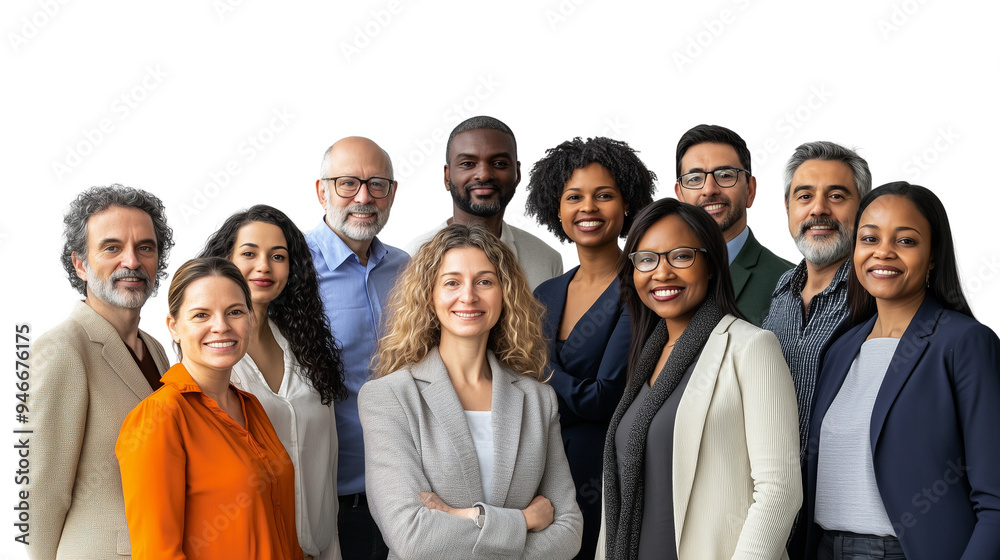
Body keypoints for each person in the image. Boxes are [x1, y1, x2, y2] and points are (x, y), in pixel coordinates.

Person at [359, 224, 583, 560]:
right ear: (429, 294)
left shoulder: (538, 399)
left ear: (504, 292)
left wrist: (457, 516)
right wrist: (523, 520)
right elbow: (413, 537)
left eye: (485, 281)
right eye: (452, 282)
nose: (469, 296)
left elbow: (568, 532)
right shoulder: (388, 397)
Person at [801, 183, 1000, 560]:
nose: (883, 252)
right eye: (869, 237)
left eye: (906, 241)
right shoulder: (841, 347)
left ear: (933, 256)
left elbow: (995, 499)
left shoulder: (964, 343)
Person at [600, 198, 801, 559]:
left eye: (681, 256)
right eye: (647, 259)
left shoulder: (752, 347)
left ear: (710, 265)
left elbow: (780, 490)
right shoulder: (647, 358)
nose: (662, 273)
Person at [116, 257, 302, 560]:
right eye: (201, 315)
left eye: (235, 312)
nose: (221, 326)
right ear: (174, 327)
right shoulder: (160, 417)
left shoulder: (250, 405)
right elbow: (156, 553)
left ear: (250, 320)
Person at [525, 136, 656, 560]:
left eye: (604, 196)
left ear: (627, 203)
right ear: (556, 208)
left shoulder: (641, 287)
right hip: (537, 475)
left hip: (601, 472)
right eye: (574, 197)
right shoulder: (545, 292)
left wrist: (538, 371)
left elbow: (603, 398)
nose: (588, 208)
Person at [29, 185, 174, 560]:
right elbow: (43, 491)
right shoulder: (63, 348)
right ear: (80, 263)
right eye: (112, 247)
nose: (132, 261)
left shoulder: (156, 349)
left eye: (145, 247)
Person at [200, 205, 347, 560]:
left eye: (277, 256)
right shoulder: (207, 355)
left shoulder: (305, 349)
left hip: (320, 546)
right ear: (225, 260)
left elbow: (325, 464)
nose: (264, 266)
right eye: (249, 253)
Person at [305, 136, 409, 560]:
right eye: (348, 183)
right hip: (330, 501)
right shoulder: (290, 270)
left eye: (377, 184)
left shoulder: (408, 268)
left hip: (409, 493)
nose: (363, 197)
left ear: (392, 193)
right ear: (322, 191)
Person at [763, 141, 872, 455]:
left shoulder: (879, 294)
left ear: (864, 208)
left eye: (836, 196)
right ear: (788, 207)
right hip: (777, 495)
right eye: (805, 196)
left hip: (843, 491)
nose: (819, 209)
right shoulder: (781, 289)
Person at [407, 115, 563, 289]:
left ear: (517, 173)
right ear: (447, 176)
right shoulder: (412, 257)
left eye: (499, 163)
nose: (484, 174)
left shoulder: (547, 260)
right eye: (467, 163)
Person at [673, 124, 793, 325]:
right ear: (680, 195)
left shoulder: (790, 283)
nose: (709, 189)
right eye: (695, 179)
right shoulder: (659, 277)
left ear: (750, 191)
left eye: (725, 175)